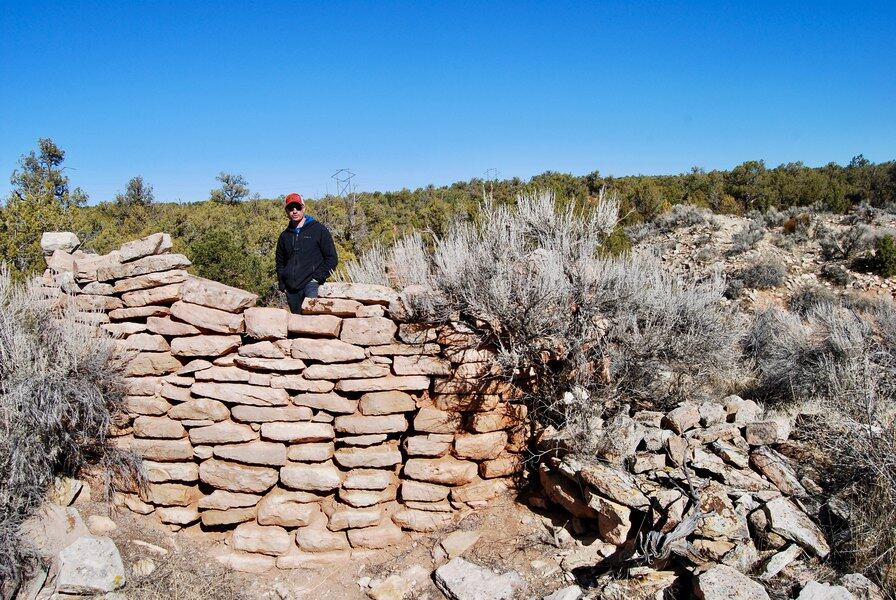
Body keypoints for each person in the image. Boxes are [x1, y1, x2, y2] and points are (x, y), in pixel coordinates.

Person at [275, 193, 338, 314]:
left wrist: (316, 279)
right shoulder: (284, 236)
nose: (294, 211)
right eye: (291, 208)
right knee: (297, 325)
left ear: (304, 208)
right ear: (286, 210)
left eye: (298, 207)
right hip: (292, 289)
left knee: (312, 324)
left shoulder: (318, 230)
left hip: (311, 286)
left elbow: (332, 258)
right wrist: (283, 284)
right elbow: (280, 262)